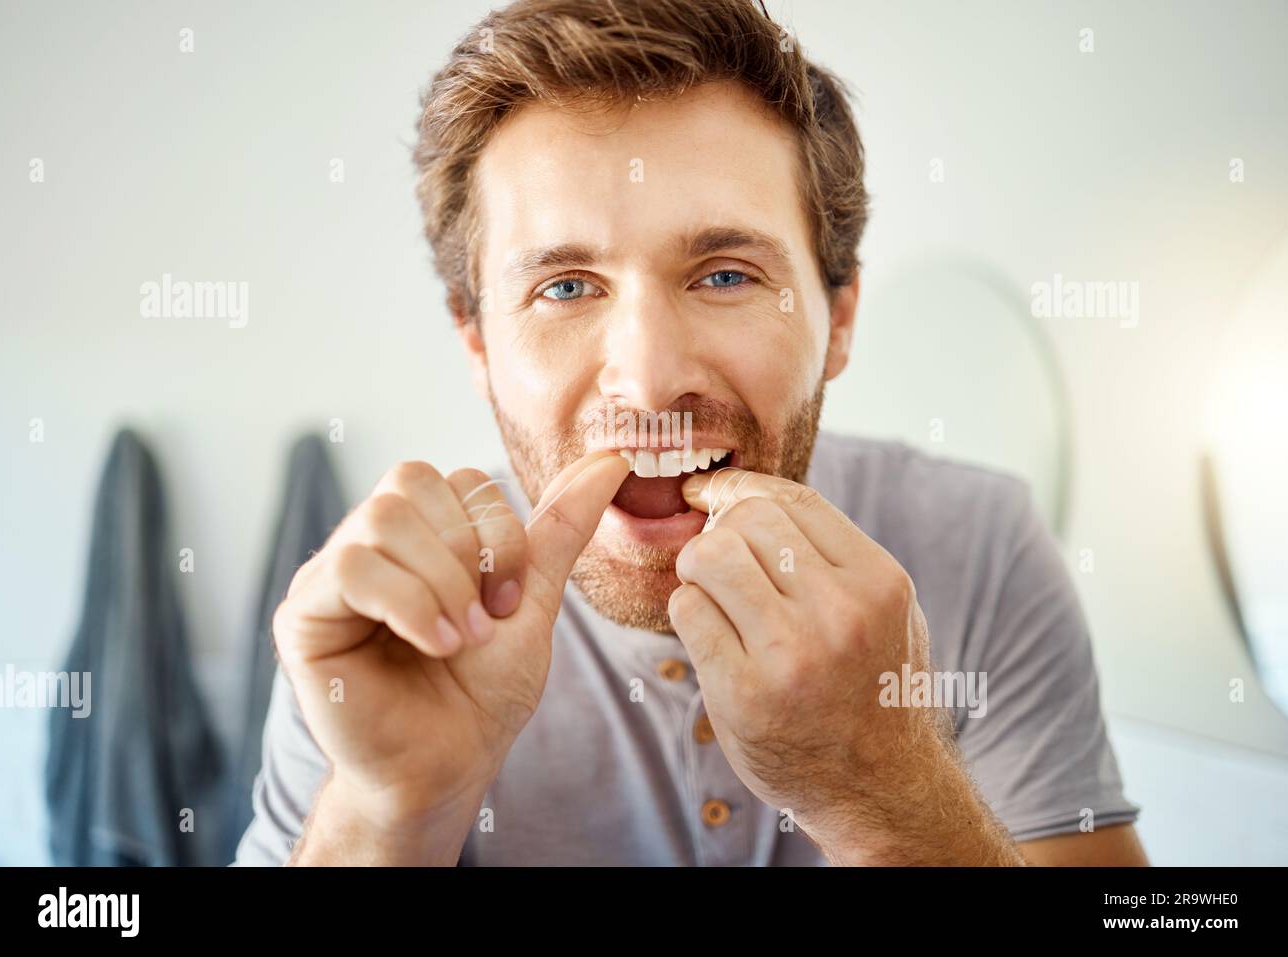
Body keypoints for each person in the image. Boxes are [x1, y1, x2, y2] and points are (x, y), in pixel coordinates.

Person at [235, 0, 1146, 866]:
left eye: (724, 275)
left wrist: (886, 791)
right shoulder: (388, 614)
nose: (651, 373)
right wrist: (386, 812)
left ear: (840, 315)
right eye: (565, 287)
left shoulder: (983, 542)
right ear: (476, 342)